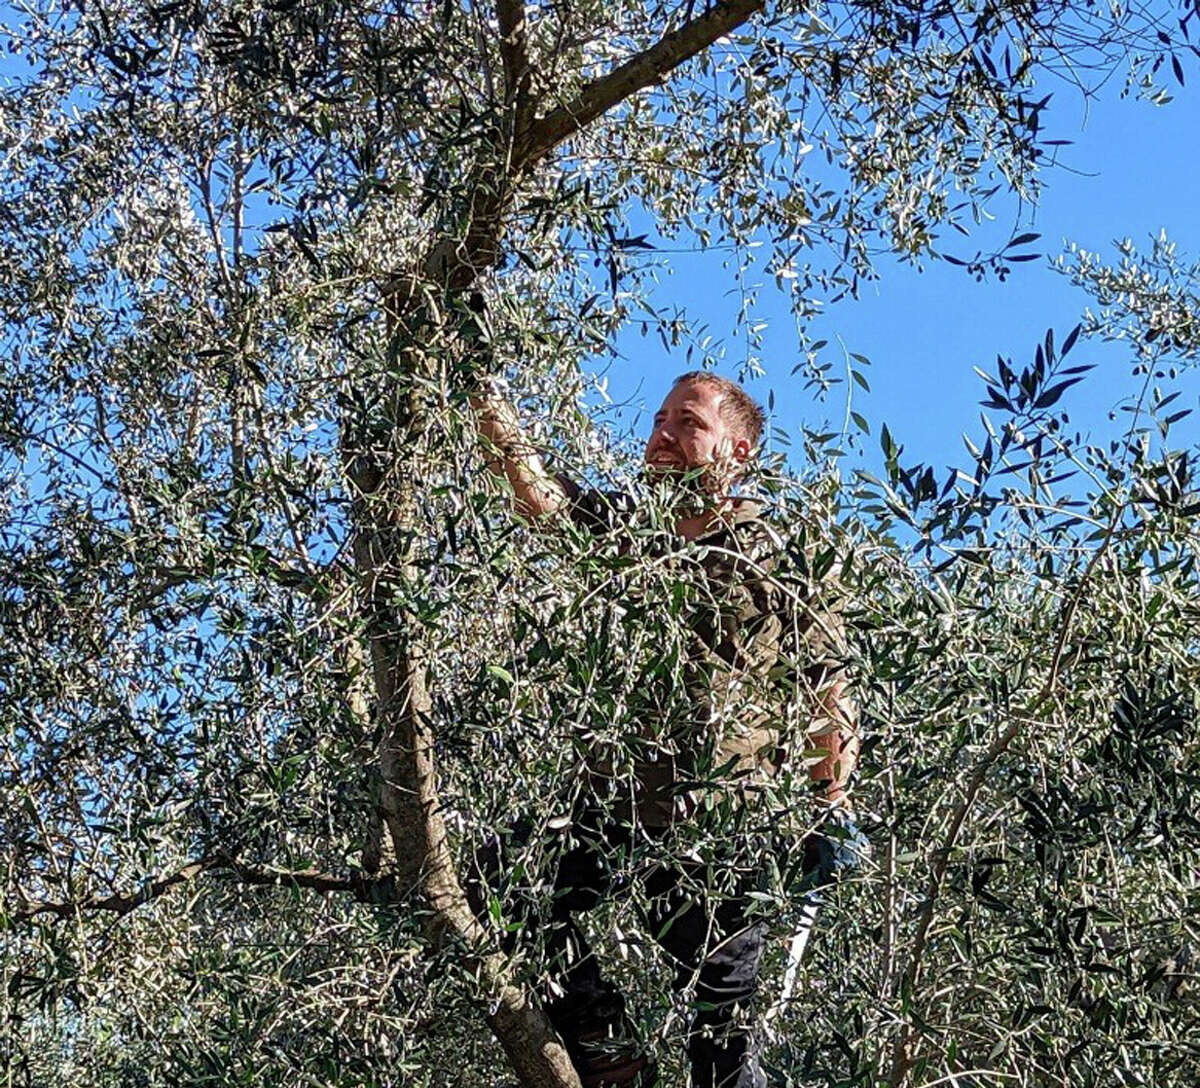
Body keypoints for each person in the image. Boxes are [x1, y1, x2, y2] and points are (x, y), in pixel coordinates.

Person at [471, 371, 860, 1088]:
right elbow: (538, 496)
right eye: (657, 422)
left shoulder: (778, 559)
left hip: (719, 834)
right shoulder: (631, 535)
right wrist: (478, 393)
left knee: (725, 1060)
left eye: (688, 423)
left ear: (738, 451)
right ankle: (606, 1049)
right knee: (504, 884)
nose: (662, 438)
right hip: (613, 802)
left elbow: (827, 692)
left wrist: (829, 810)